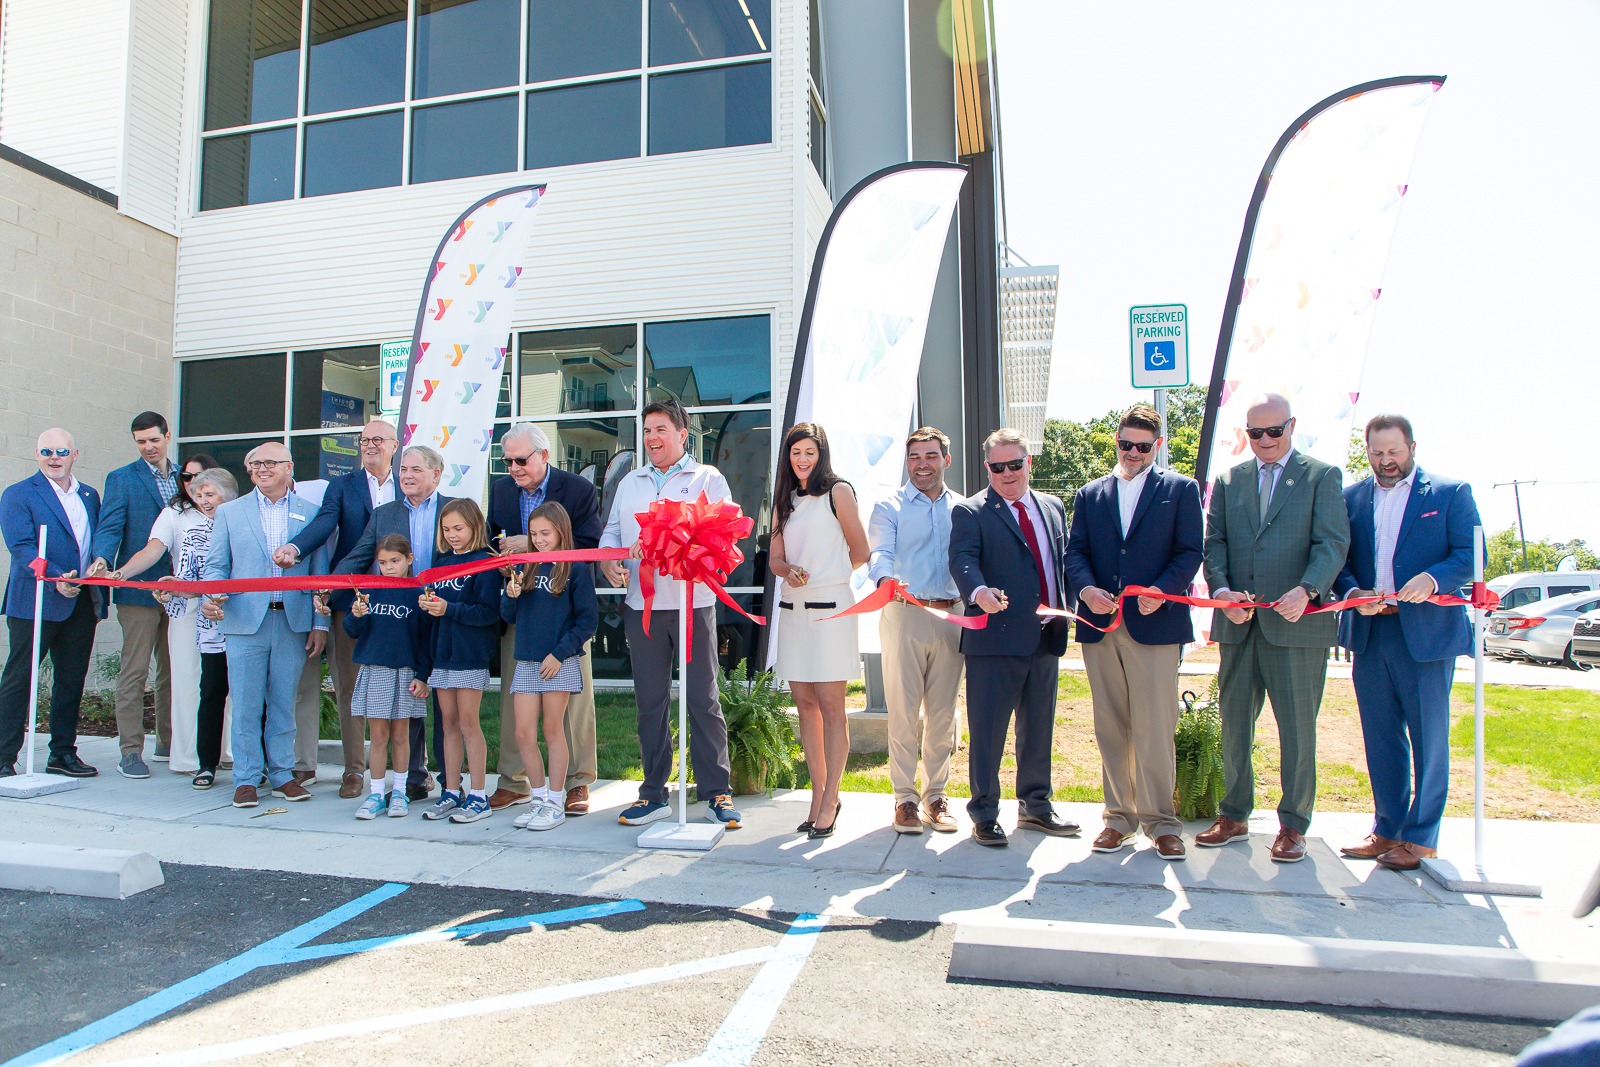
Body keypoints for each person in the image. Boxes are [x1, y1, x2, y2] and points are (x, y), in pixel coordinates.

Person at [1198, 392, 1351, 862]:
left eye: (1273, 431)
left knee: (1297, 731)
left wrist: (1307, 590)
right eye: (1255, 432)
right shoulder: (1229, 480)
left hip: (1297, 626)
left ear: (1292, 427)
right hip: (1239, 626)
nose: (1264, 440)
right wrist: (1221, 593)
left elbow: (1332, 543)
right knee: (1233, 726)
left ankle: (1293, 825)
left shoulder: (1321, 476)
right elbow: (1215, 542)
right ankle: (1234, 814)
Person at [1333, 414, 1479, 871]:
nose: (1386, 460)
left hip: (1428, 634)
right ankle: (1387, 829)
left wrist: (1433, 579)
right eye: (1377, 452)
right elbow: (1339, 560)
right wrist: (1353, 593)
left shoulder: (1451, 493)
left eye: (1394, 451)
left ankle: (1421, 838)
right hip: (1371, 630)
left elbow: (1472, 554)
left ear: (1412, 446)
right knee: (1380, 737)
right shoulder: (1351, 497)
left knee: (1429, 737)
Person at [1064, 404, 1204, 861]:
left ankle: (1162, 823)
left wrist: (1164, 590)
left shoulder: (1181, 490)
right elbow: (1076, 552)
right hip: (1101, 626)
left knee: (1156, 727)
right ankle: (1118, 818)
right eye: (1126, 444)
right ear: (1116, 440)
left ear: (1157, 446)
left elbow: (1189, 552)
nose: (1133, 453)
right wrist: (1085, 589)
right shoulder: (1090, 494)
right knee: (1110, 726)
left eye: (1143, 447)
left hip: (1156, 625)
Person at [600, 398, 741, 830]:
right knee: (650, 703)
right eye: (646, 431)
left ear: (683, 435)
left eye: (660, 429)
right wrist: (610, 560)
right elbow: (611, 532)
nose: (651, 438)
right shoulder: (631, 482)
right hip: (642, 608)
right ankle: (654, 793)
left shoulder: (708, 479)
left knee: (703, 699)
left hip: (692, 605)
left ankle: (717, 790)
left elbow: (725, 536)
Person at [949, 428, 1081, 847]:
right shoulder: (971, 512)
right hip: (994, 640)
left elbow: (1062, 562)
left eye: (1015, 464)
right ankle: (985, 813)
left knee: (1038, 728)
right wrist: (978, 592)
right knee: (987, 732)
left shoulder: (1053, 507)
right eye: (997, 467)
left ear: (1029, 462)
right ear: (987, 468)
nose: (1007, 473)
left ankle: (1036, 806)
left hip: (1045, 636)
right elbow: (963, 559)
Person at [200, 442, 331, 809]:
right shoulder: (229, 513)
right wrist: (212, 596)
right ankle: (245, 778)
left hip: (292, 621)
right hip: (244, 620)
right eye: (254, 463)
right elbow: (216, 566)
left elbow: (319, 575)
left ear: (289, 468)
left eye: (270, 462)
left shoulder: (312, 513)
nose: (262, 468)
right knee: (245, 703)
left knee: (283, 702)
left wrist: (320, 623)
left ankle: (282, 774)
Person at [485, 422, 602, 816]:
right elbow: (491, 541)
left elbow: (589, 547)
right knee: (516, 702)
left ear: (544, 456)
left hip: (564, 614)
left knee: (573, 705)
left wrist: (532, 549)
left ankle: (578, 782)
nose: (514, 468)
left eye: (521, 460)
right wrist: (505, 563)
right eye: (508, 461)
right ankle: (515, 781)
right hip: (521, 606)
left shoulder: (577, 490)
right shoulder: (501, 490)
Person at [277, 419, 399, 798]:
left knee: (410, 684)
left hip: (402, 601)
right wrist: (296, 548)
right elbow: (325, 522)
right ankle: (354, 771)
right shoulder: (342, 486)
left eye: (378, 439)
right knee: (351, 687)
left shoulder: (408, 484)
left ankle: (412, 770)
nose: (370, 446)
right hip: (352, 600)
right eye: (364, 440)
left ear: (395, 444)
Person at [333, 444, 453, 801]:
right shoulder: (384, 513)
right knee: (407, 698)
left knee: (444, 700)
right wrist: (328, 587)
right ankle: (414, 778)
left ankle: (451, 780)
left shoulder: (455, 510)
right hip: (400, 620)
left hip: (445, 613)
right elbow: (359, 556)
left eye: (415, 470)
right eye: (403, 470)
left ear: (436, 473)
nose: (406, 476)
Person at [112, 458, 239, 785]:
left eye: (205, 483)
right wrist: (122, 573)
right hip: (185, 609)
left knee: (228, 684)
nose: (199, 491)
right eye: (191, 480)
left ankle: (227, 752)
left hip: (227, 607)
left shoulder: (236, 515)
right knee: (186, 680)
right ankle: (189, 756)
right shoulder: (174, 514)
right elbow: (154, 550)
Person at [770, 423, 869, 839]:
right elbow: (775, 559)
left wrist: (826, 577)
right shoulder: (784, 499)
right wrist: (789, 571)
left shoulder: (838, 492)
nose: (802, 459)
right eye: (796, 452)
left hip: (831, 612)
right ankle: (816, 795)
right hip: (793, 612)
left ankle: (832, 797)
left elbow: (861, 551)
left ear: (821, 453)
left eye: (809, 451)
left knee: (832, 707)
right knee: (805, 705)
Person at [868, 426, 965, 835]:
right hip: (903, 612)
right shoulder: (888, 505)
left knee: (942, 713)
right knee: (904, 712)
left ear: (946, 459)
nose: (922, 464)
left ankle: (936, 796)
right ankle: (905, 799)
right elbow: (880, 553)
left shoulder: (965, 508)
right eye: (914, 457)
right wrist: (885, 581)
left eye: (930, 456)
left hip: (952, 617)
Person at [0, 429, 105, 779]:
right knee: (20, 679)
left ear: (75, 453)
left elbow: (93, 542)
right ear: (37, 454)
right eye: (47, 451)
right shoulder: (18, 494)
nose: (54, 457)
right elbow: (21, 548)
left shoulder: (89, 495)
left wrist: (100, 564)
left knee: (71, 680)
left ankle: (62, 753)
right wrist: (57, 576)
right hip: (34, 602)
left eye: (61, 451)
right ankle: (3, 755)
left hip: (80, 603)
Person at [90, 411, 177, 779]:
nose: (148, 447)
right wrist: (102, 558)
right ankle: (130, 750)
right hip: (137, 589)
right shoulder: (122, 479)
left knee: (174, 671)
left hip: (180, 590)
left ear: (167, 436)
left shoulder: (186, 477)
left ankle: (170, 743)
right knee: (134, 670)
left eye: (154, 440)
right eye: (140, 441)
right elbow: (110, 526)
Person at [502, 502, 598, 832]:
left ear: (561, 531)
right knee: (523, 732)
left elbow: (588, 621)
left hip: (558, 662)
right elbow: (509, 616)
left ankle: (556, 801)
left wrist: (559, 654)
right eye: (533, 534)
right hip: (527, 660)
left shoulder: (576, 568)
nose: (539, 540)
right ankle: (540, 799)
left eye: (546, 533)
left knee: (552, 730)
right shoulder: (526, 566)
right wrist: (510, 594)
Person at [417, 498, 500, 824]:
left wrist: (449, 609)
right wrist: (430, 606)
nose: (452, 535)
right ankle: (452, 791)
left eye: (459, 528)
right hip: (442, 656)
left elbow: (488, 613)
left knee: (468, 724)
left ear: (475, 527)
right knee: (446, 725)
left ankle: (479, 796)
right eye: (447, 529)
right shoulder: (438, 565)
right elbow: (431, 615)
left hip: (470, 656)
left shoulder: (484, 563)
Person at [342, 535, 433, 819]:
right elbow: (351, 630)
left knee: (401, 736)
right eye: (382, 563)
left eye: (395, 561)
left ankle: (401, 792)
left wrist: (422, 675)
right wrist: (356, 614)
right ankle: (376, 794)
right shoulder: (369, 588)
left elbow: (425, 639)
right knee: (378, 735)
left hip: (406, 672)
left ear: (409, 559)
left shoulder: (418, 591)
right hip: (375, 669)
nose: (389, 568)